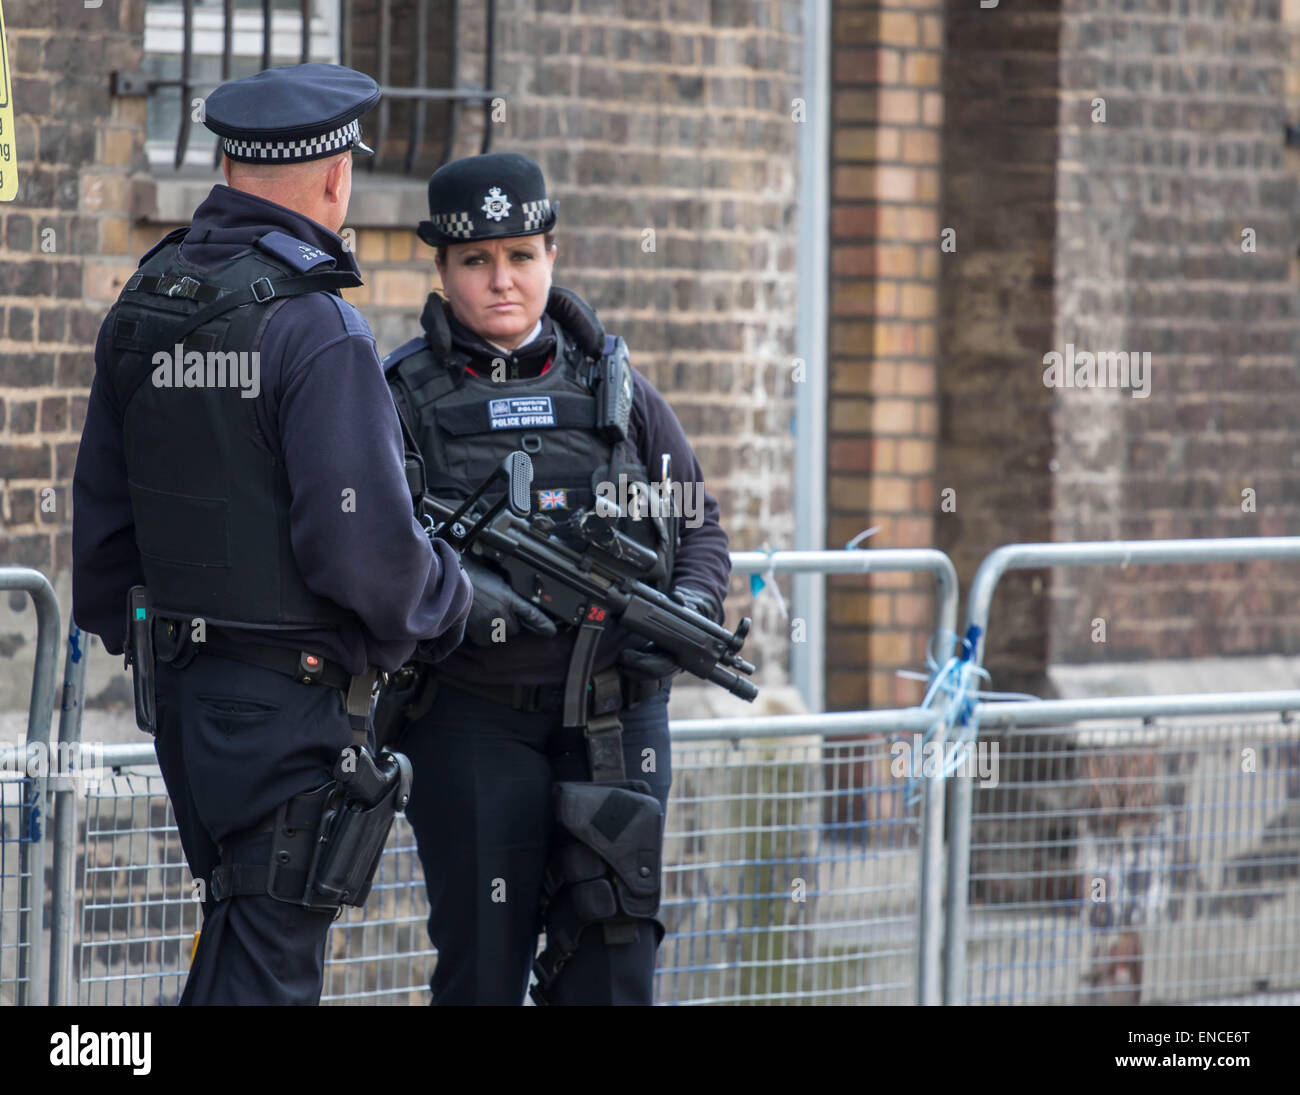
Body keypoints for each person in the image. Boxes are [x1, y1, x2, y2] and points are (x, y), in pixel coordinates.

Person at [70, 63, 472, 1006]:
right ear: (336, 177)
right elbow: (360, 552)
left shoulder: (144, 302)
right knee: (270, 965)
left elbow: (100, 551)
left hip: (180, 697)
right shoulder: (315, 326)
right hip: (286, 709)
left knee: (243, 942)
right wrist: (448, 598)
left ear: (226, 162)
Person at [381, 152, 733, 1005]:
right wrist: (460, 597)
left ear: (551, 257)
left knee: (615, 970)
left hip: (616, 720)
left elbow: (700, 525)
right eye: (477, 260)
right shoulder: (397, 397)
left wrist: (686, 605)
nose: (503, 281)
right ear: (442, 268)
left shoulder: (618, 392)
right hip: (472, 724)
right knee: (483, 972)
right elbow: (373, 552)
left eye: (522, 256)